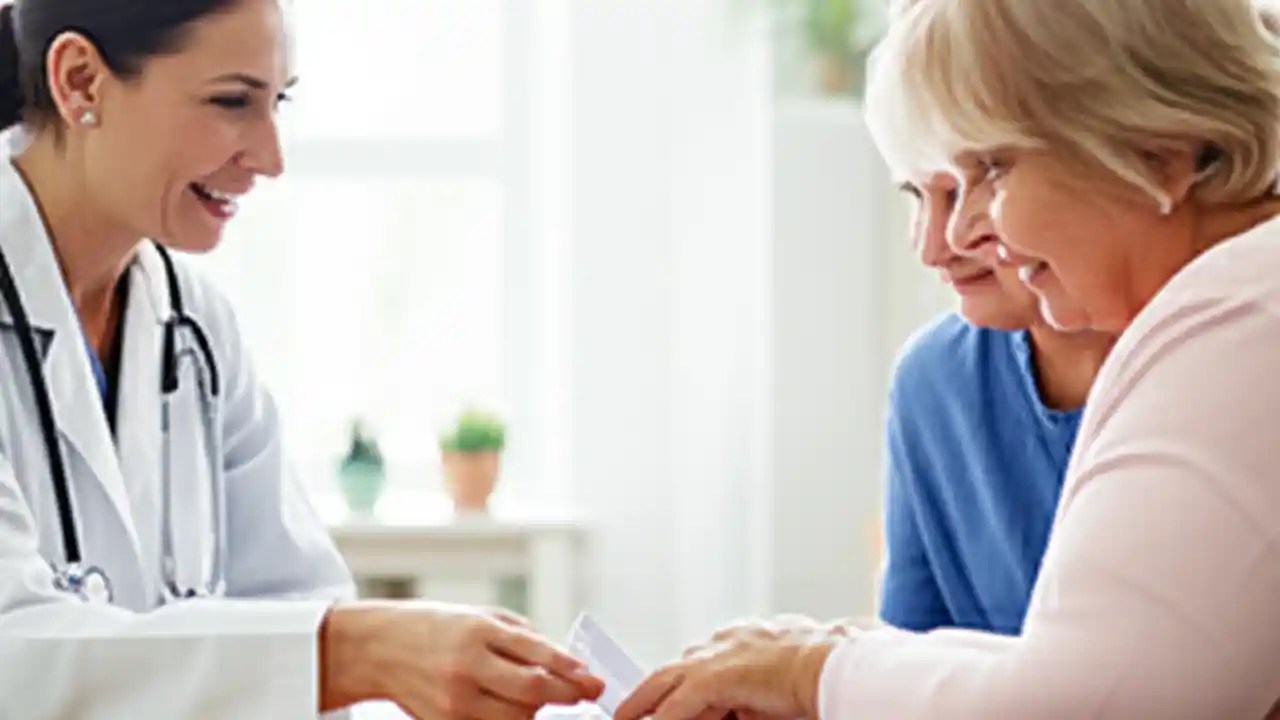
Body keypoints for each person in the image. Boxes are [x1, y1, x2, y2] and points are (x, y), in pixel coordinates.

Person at [615, 0, 1280, 717]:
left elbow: (1086, 703)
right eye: (928, 190)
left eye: (991, 169)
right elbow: (1083, 670)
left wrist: (813, 672)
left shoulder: (1238, 319)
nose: (958, 233)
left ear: (1160, 153)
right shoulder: (1225, 306)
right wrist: (823, 665)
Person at [0, 1, 603, 718]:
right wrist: (353, 651)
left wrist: (360, 659)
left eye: (276, 103)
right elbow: (14, 655)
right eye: (232, 102)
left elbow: (293, 600)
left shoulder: (194, 328)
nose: (270, 158)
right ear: (80, 81)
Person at [878, 169, 1110, 635]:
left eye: (966, 191)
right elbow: (909, 650)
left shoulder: (1215, 363)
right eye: (915, 196)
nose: (932, 249)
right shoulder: (933, 380)